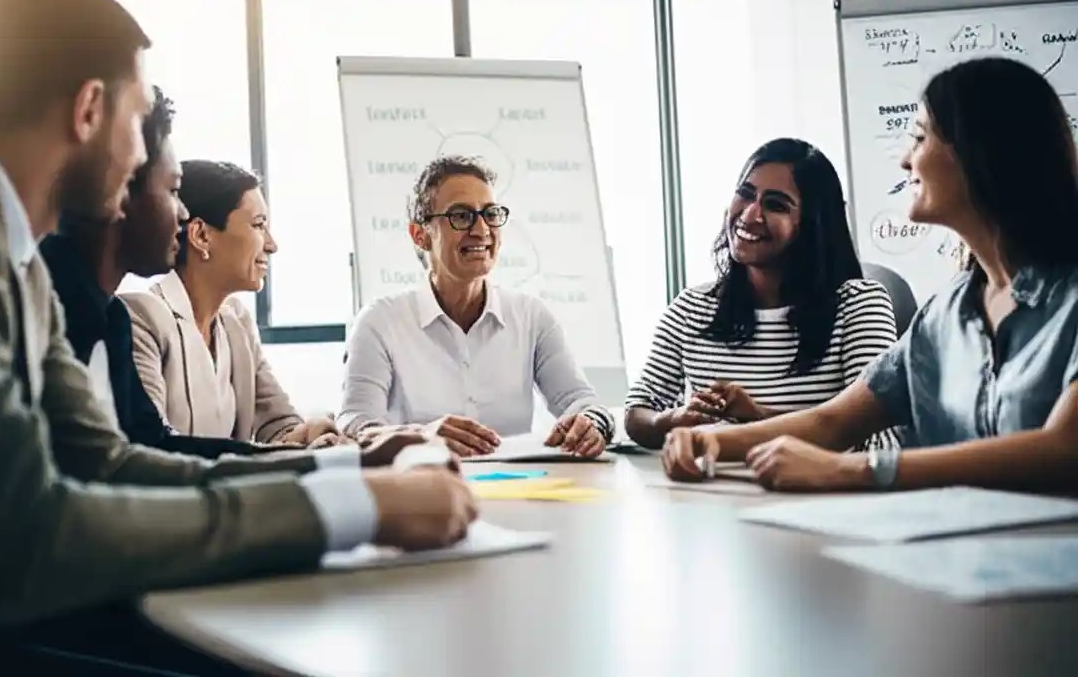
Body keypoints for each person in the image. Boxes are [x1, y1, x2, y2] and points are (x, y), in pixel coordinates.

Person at [0, 0, 474, 672]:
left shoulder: (8, 247)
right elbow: (22, 541)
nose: (143, 154)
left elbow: (106, 463)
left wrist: (344, 477)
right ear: (89, 110)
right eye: (136, 116)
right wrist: (357, 510)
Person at [662, 57, 1078, 494]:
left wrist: (853, 470)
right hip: (959, 549)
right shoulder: (950, 309)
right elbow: (835, 420)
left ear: (981, 154)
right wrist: (710, 440)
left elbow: (1065, 450)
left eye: (919, 139)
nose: (904, 161)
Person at [42, 86, 326, 459]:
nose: (180, 214)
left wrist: (322, 449)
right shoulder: (100, 312)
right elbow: (140, 462)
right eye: (173, 191)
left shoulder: (111, 319)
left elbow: (144, 449)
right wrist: (315, 467)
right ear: (120, 185)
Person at [625, 138, 899, 451]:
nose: (751, 214)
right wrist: (674, 420)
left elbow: (876, 440)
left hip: (819, 495)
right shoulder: (692, 308)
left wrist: (758, 418)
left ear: (812, 225)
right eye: (745, 194)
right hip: (714, 494)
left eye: (776, 205)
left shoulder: (858, 305)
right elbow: (639, 411)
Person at [338, 155, 616, 458]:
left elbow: (582, 401)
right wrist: (421, 435)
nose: (482, 230)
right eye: (461, 216)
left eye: (491, 214)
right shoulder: (379, 322)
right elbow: (354, 423)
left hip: (519, 488)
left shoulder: (532, 317)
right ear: (420, 235)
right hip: (421, 490)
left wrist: (590, 423)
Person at [121, 160, 348, 447]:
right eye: (258, 225)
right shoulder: (140, 317)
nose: (271, 244)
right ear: (201, 235)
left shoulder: (236, 322)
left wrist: (310, 434)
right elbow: (155, 444)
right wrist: (273, 452)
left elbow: (277, 423)